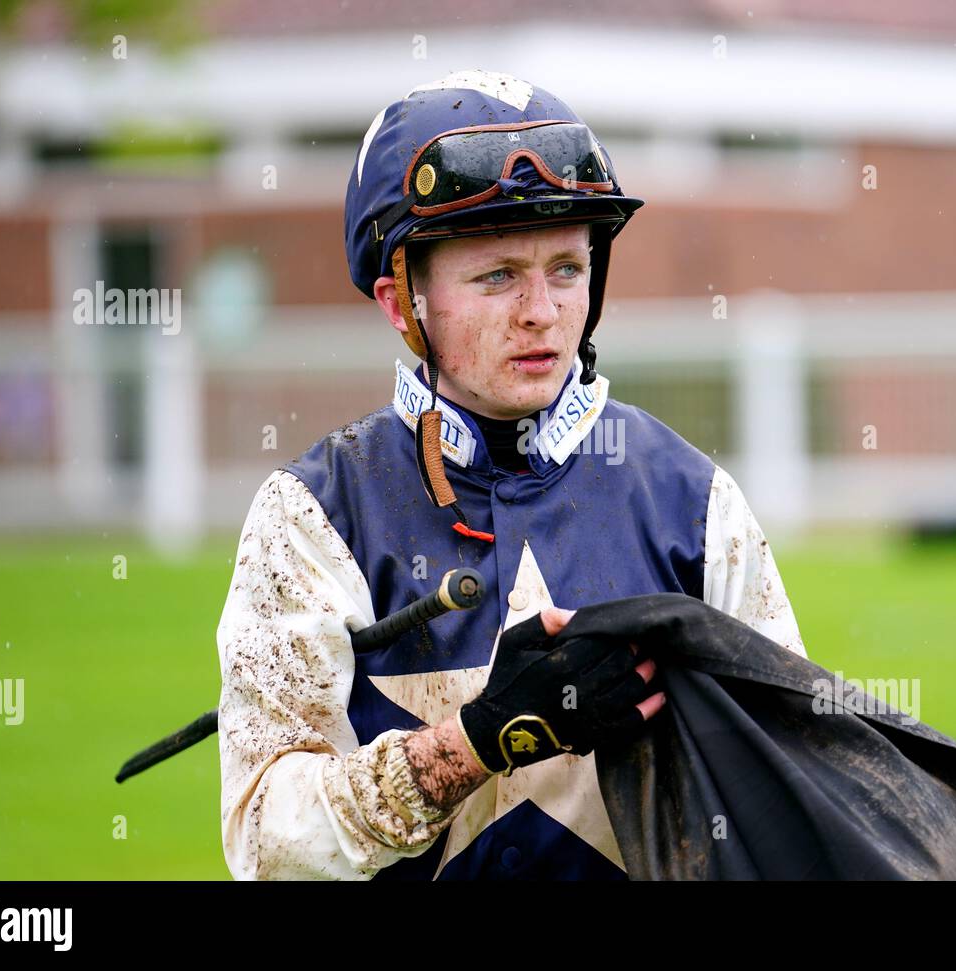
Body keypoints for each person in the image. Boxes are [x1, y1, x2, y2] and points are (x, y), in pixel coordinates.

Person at [216, 69, 806, 881]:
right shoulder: (312, 512)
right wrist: (479, 741)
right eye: (497, 276)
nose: (542, 310)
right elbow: (264, 846)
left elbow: (792, 795)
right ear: (401, 303)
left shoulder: (695, 501)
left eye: (566, 268)